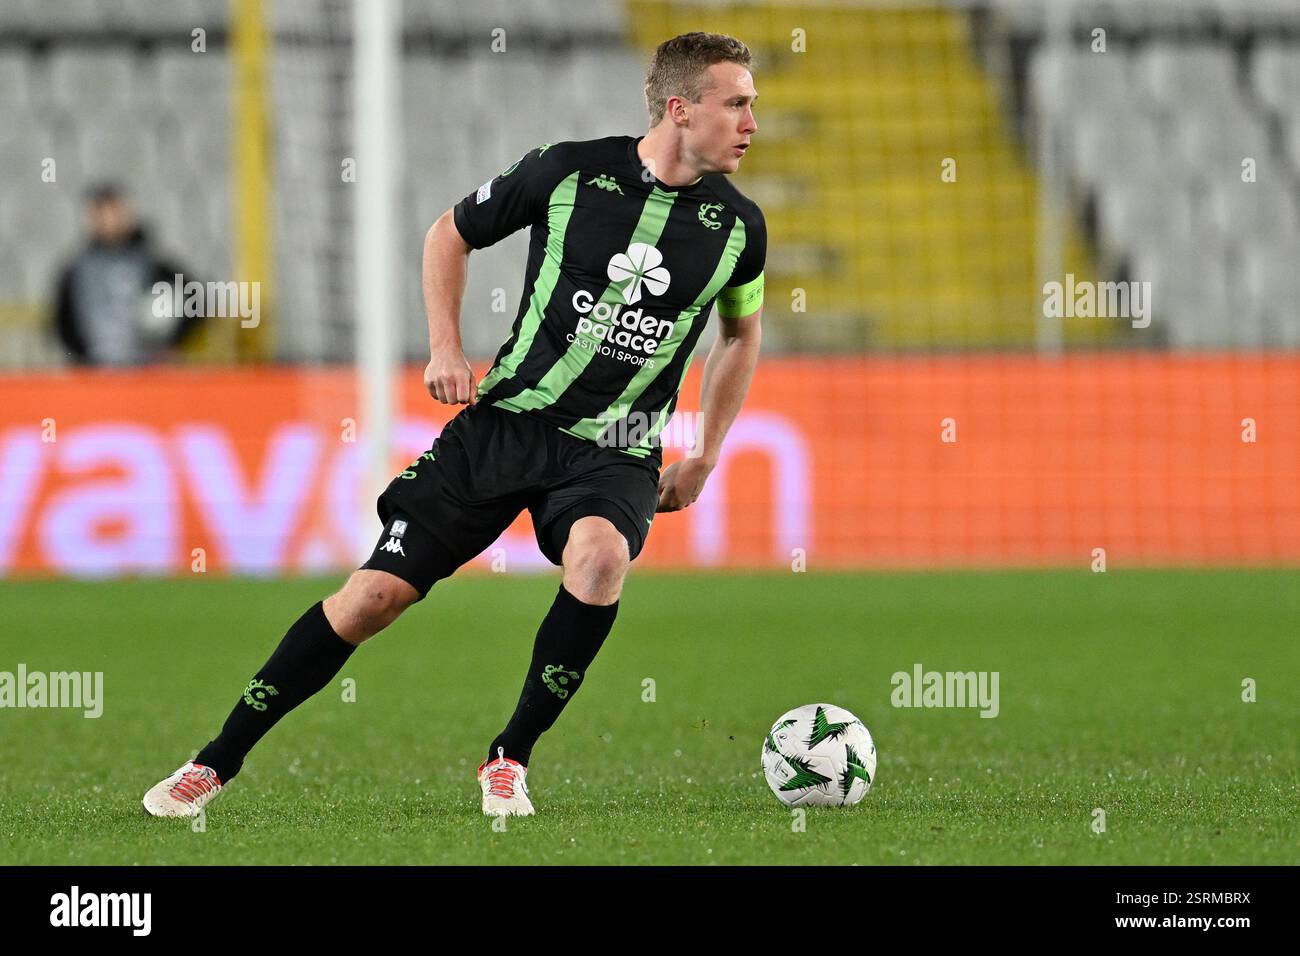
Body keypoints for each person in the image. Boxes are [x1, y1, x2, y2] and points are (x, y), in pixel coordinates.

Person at [142, 31, 766, 818]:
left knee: (601, 560)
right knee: (371, 599)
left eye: (753, 105)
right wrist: (445, 345)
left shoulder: (739, 228)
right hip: (504, 425)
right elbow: (450, 233)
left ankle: (510, 758)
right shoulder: (567, 172)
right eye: (736, 103)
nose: (751, 122)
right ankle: (215, 760)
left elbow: (740, 335)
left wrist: (704, 455)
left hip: (613, 448)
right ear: (681, 109)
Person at [53, 183, 200, 365]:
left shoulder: (152, 264)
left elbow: (196, 297)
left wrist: (171, 343)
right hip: (95, 372)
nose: (108, 220)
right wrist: (81, 356)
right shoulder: (78, 270)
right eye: (101, 213)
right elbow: (62, 320)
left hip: (145, 370)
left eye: (113, 212)